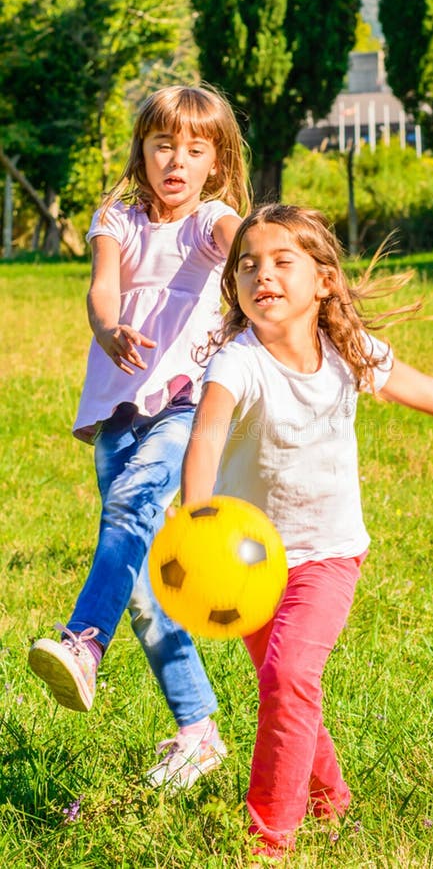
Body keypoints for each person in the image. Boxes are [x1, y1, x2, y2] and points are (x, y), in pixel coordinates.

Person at [179, 203, 433, 859]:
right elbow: (205, 439)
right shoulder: (236, 362)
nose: (263, 276)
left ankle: (266, 846)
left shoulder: (349, 351)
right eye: (248, 265)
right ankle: (331, 804)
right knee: (288, 687)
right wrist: (198, 520)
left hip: (328, 555)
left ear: (325, 281)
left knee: (287, 679)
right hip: (246, 560)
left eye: (283, 262)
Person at [28, 84, 251, 792]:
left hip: (184, 405)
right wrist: (108, 326)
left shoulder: (214, 219)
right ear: (143, 152)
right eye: (162, 145)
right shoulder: (117, 218)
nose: (175, 161)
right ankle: (199, 731)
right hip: (117, 413)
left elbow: (243, 246)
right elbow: (101, 289)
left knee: (127, 512)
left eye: (193, 149)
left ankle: (83, 642)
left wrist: (276, 263)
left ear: (215, 163)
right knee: (150, 591)